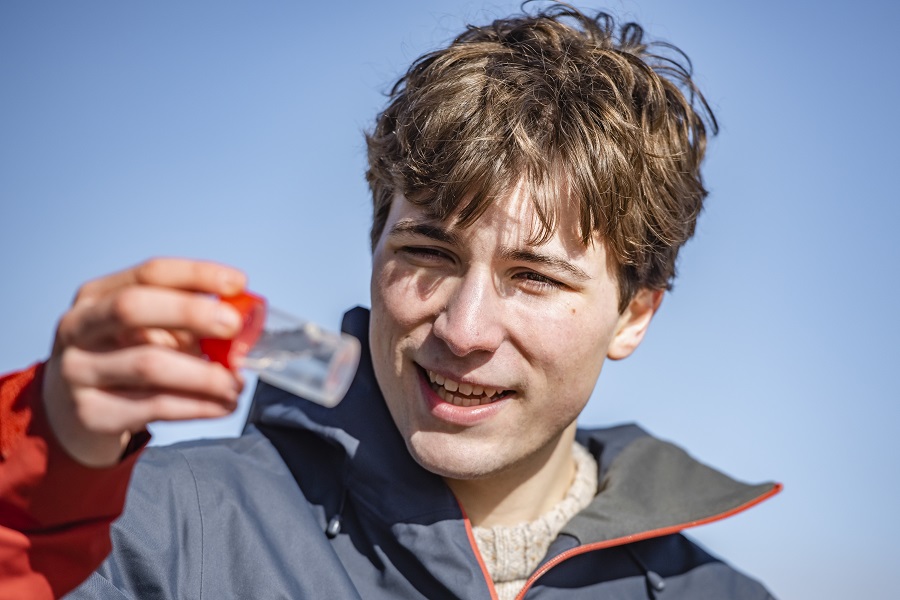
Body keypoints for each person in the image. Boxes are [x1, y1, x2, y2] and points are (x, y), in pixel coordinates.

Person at [0, 4, 781, 599]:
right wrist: (42, 473)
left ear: (634, 314)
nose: (463, 330)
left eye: (534, 277)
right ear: (374, 246)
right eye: (428, 253)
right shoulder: (155, 533)